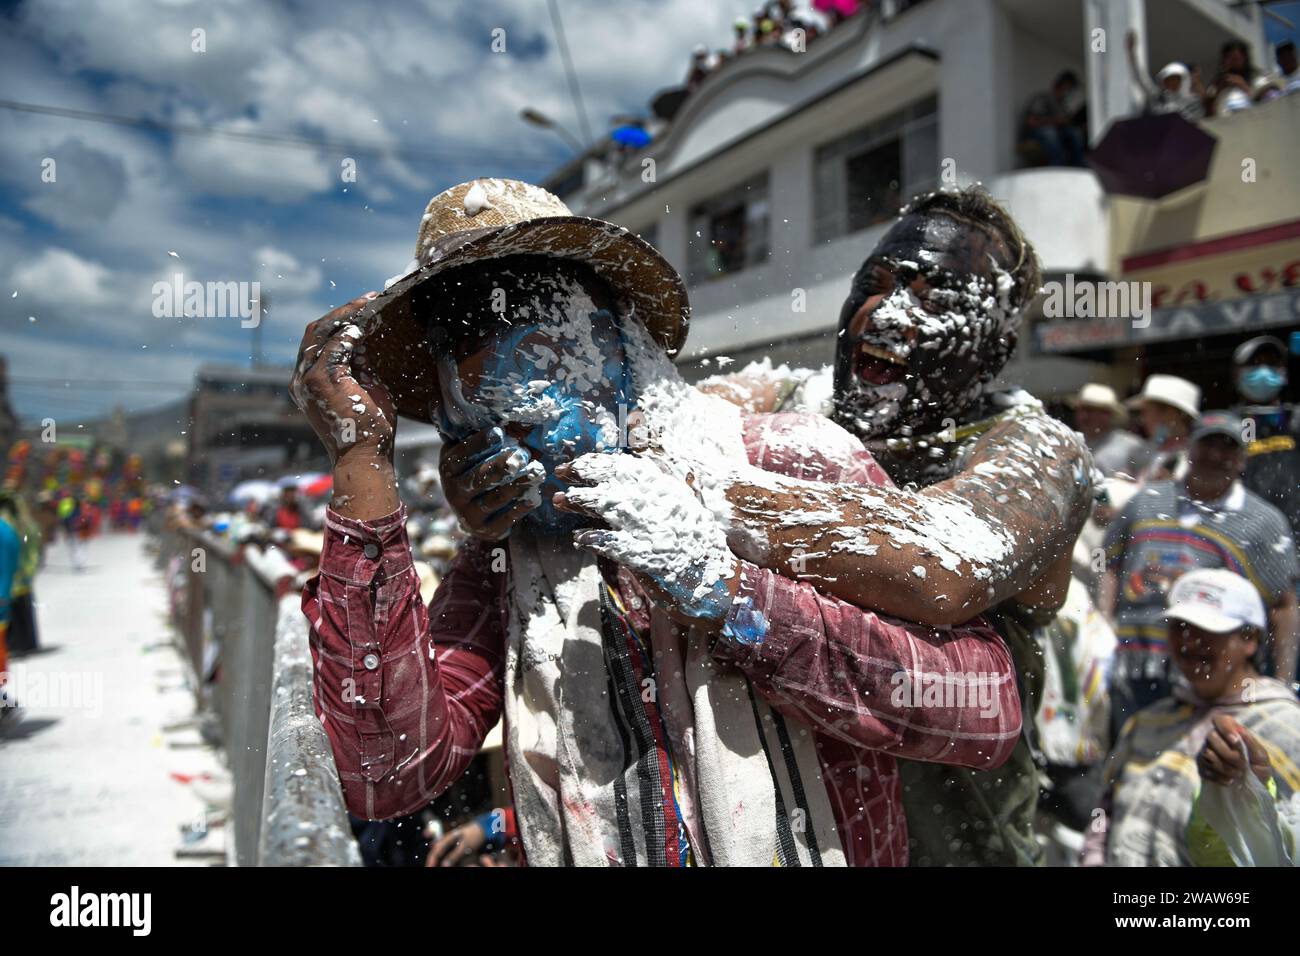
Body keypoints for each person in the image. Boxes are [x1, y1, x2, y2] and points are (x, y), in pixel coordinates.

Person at [295, 178, 1022, 866]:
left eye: (535, 405)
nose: (506, 454)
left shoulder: (791, 461)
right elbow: (387, 772)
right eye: (475, 427)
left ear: (618, 348)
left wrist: (731, 596)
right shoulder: (509, 549)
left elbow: (983, 711)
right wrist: (363, 464)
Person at [688, 186, 1097, 865]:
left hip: (954, 848)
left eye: (933, 298)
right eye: (873, 286)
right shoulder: (793, 399)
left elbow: (942, 564)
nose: (888, 312)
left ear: (993, 347)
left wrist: (696, 498)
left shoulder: (1041, 450)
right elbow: (652, 414)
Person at [1101, 411, 1300, 740]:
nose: (1215, 456)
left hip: (1211, 674)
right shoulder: (1146, 502)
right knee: (1135, 765)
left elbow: (1284, 605)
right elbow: (1109, 562)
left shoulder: (1263, 522)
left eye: (1228, 448)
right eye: (1208, 445)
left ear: (1241, 460)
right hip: (1133, 665)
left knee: (1202, 766)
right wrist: (1103, 621)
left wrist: (1281, 682)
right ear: (1190, 450)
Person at [1084, 569, 1300, 866]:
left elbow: (1286, 845)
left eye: (1207, 630)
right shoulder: (1149, 721)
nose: (1190, 641)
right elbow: (1105, 812)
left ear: (1249, 638)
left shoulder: (1286, 728)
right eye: (1180, 626)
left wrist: (1247, 789)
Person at [1232, 336, 1300, 678]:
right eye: (1254, 365)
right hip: (1245, 547)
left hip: (1296, 546)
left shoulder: (1295, 419)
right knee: (1251, 640)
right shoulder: (1228, 427)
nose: (1263, 373)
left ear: (1285, 373)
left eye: (1271, 365)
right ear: (1237, 375)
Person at [1131, 373, 1200, 482]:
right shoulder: (1150, 449)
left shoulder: (1191, 458)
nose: (1142, 419)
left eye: (1146, 412)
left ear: (1171, 413)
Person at [1072, 383, 1148, 480]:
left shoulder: (1131, 446)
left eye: (1090, 410)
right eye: (1081, 410)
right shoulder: (1071, 442)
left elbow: (1145, 480)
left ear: (1106, 415)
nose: (1084, 416)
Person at [1124, 30, 1205, 121]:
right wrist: (1132, 53)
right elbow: (1141, 79)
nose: (1172, 83)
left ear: (1183, 81)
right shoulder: (1158, 98)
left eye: (1175, 80)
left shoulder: (1193, 102)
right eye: (1168, 80)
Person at [1020, 70, 1086, 167]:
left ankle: (1078, 165)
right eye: (1069, 88)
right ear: (1063, 85)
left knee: (1074, 132)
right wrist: (1057, 121)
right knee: (1049, 132)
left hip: (1056, 133)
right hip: (1036, 133)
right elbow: (1031, 121)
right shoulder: (1042, 98)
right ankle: (1058, 166)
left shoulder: (1062, 105)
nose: (1069, 92)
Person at [1205, 39, 1259, 115]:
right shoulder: (1216, 82)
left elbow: (1263, 103)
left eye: (1236, 58)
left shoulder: (1256, 78)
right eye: (1229, 58)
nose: (1233, 62)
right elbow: (1208, 111)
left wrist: (1243, 86)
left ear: (1244, 60)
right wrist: (1219, 91)